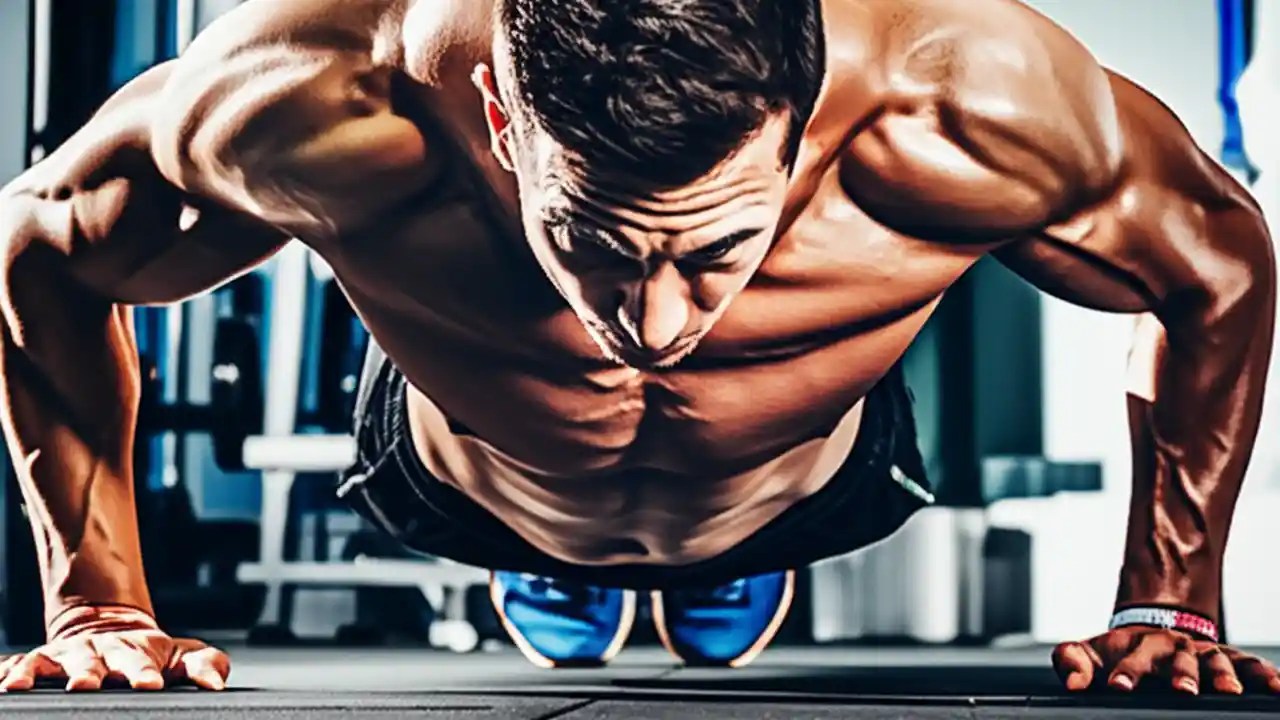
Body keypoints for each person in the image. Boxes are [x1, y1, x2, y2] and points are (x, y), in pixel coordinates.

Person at [0, 0, 1277, 696]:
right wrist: (97, 600)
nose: (658, 327)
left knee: (731, 490)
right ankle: (565, 569)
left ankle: (706, 570)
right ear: (502, 117)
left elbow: (1217, 264)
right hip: (464, 485)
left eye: (718, 251)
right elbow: (39, 243)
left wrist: (1164, 600)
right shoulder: (326, 97)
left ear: (798, 125)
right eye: (596, 248)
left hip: (809, 489)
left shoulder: (966, 105)